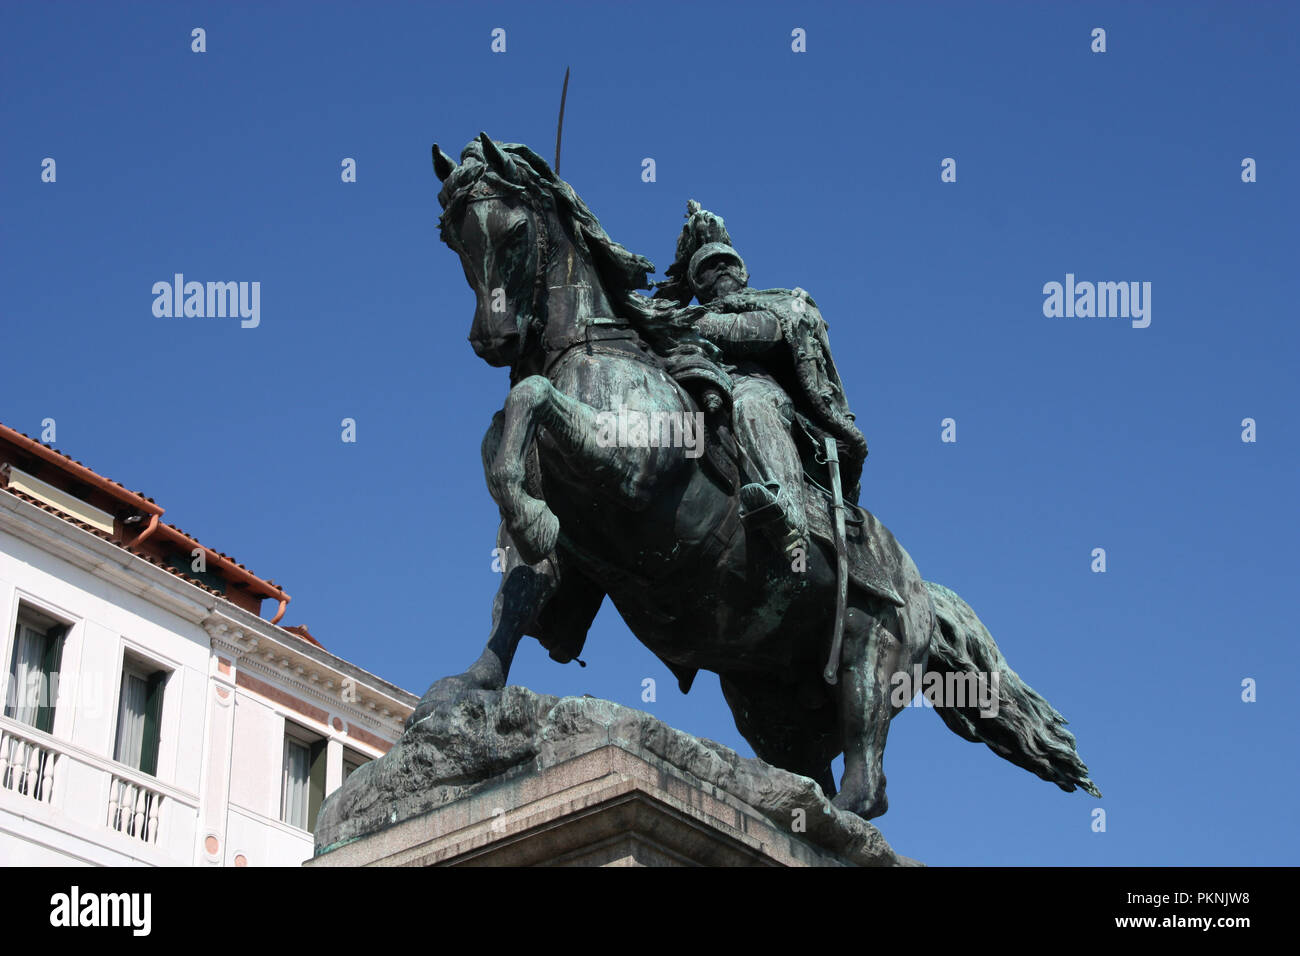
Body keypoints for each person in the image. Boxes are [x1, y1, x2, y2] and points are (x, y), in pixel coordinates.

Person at [655, 202, 868, 554]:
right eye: (708, 267)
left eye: (727, 262)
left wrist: (694, 323)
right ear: (696, 282)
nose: (720, 267)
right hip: (699, 390)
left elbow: (762, 333)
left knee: (751, 405)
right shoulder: (682, 317)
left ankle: (788, 512)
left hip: (757, 388)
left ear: (744, 274)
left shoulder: (771, 305)